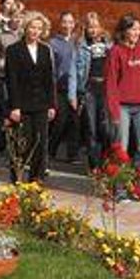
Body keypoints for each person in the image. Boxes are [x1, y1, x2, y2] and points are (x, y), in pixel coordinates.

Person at [105, 13, 140, 190]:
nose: (136, 32)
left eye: (138, 29)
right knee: (122, 151)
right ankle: (118, 189)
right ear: (124, 30)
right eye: (133, 29)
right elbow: (111, 84)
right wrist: (114, 113)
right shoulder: (116, 52)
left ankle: (132, 181)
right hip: (122, 107)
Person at [4, 13, 56, 183]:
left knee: (40, 144)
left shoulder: (45, 50)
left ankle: (36, 180)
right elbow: (11, 81)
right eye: (32, 27)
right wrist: (14, 107)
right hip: (22, 105)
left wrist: (51, 105)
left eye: (39, 28)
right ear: (25, 28)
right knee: (22, 143)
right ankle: (17, 178)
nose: (35, 31)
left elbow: (49, 79)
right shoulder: (13, 50)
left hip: (41, 103)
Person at [74, 11, 112, 170]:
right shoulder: (81, 45)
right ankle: (94, 164)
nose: (93, 30)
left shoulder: (109, 44)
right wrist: (73, 94)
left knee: (105, 127)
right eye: (90, 27)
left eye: (95, 26)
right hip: (89, 88)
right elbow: (74, 70)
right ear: (85, 28)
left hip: (105, 88)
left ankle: (104, 160)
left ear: (101, 27)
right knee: (91, 127)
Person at [0, 11, 23, 153]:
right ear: (10, 18)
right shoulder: (0, 33)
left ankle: (13, 140)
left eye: (20, 18)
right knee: (7, 107)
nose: (18, 20)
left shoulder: (24, 34)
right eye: (15, 17)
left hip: (21, 78)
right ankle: (2, 138)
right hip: (4, 76)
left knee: (17, 109)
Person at [48, 11, 80, 164]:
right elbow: (51, 69)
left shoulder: (78, 42)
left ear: (74, 24)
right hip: (59, 87)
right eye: (65, 22)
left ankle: (72, 155)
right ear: (60, 24)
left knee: (75, 122)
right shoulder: (53, 43)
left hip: (75, 88)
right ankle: (51, 150)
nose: (68, 25)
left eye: (70, 22)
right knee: (60, 121)